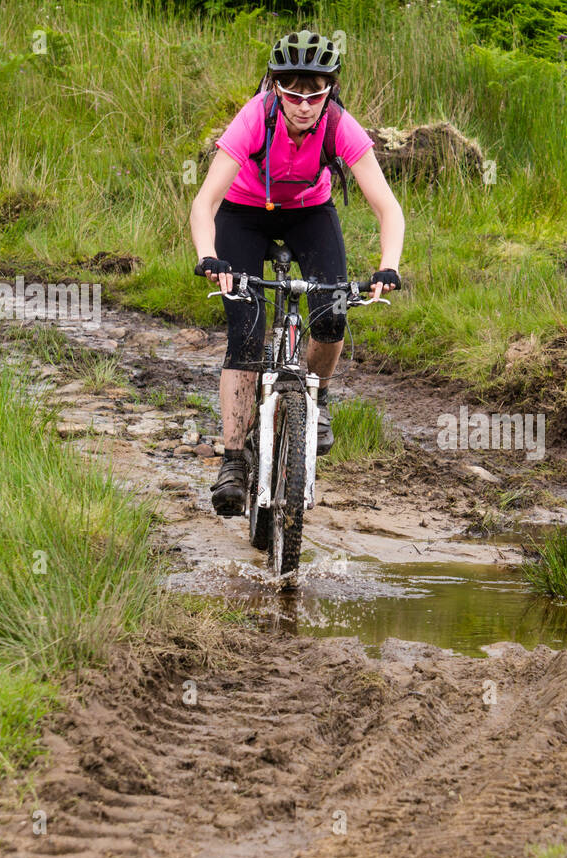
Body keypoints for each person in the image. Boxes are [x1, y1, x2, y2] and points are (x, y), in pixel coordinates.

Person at [188, 29, 404, 516]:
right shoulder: (253, 118)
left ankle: (318, 397)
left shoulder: (340, 126)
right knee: (246, 334)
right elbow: (206, 202)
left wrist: (388, 265)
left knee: (332, 315)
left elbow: (388, 208)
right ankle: (234, 460)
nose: (304, 104)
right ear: (276, 88)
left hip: (310, 212)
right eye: (292, 92)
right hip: (243, 213)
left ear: (329, 91)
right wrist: (209, 255)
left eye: (316, 93)